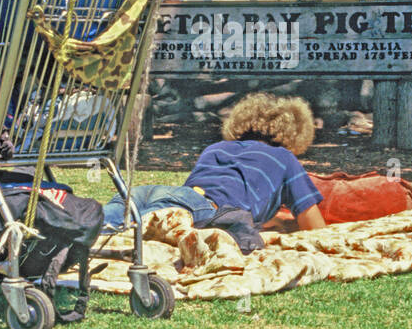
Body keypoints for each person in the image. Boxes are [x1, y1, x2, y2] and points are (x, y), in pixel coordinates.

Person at [102, 92, 325, 252]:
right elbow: (316, 229)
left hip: (155, 193)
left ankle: (70, 213)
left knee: (95, 221)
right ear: (296, 133)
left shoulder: (216, 148)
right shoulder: (285, 159)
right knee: (130, 231)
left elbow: (201, 193)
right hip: (196, 206)